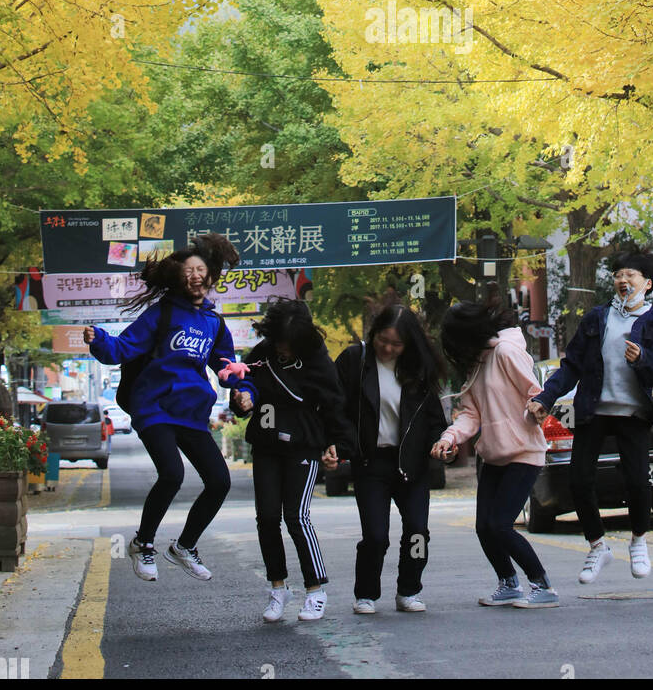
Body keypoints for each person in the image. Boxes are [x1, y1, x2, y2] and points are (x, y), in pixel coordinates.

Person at [84, 233, 240, 583]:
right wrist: (99, 340)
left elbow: (225, 365)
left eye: (201, 270)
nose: (196, 277)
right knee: (172, 473)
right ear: (177, 279)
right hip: (154, 407)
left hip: (191, 412)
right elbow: (121, 349)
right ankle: (143, 543)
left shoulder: (214, 323)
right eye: (188, 272)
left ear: (212, 274)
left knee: (219, 481)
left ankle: (184, 547)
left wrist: (239, 385)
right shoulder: (162, 314)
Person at [528, 249, 653, 584]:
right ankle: (598, 545)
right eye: (618, 275)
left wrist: (642, 359)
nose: (623, 280)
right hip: (594, 409)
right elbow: (572, 365)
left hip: (632, 412)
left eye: (631, 275)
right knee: (579, 480)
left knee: (637, 481)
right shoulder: (597, 318)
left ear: (647, 284)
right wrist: (545, 398)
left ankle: (638, 541)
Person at [229, 298, 355, 624]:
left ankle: (316, 589)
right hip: (267, 445)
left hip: (303, 446)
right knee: (267, 518)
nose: (282, 350)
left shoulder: (319, 362)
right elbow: (245, 382)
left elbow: (335, 407)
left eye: (289, 345)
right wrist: (243, 397)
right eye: (278, 343)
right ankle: (278, 587)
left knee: (297, 516)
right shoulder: (262, 353)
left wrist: (338, 446)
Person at [432, 299, 555, 609]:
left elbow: (534, 392)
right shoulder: (477, 363)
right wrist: (450, 437)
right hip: (494, 455)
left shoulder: (506, 351)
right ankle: (508, 583)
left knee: (500, 525)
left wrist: (538, 410)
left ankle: (542, 586)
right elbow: (471, 413)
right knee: (484, 527)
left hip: (524, 452)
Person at [335, 300, 448, 614]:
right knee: (375, 535)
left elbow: (433, 418)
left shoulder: (418, 369)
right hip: (371, 462)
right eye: (382, 341)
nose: (387, 348)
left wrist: (442, 442)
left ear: (408, 343)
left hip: (411, 463)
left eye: (396, 344)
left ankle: (409, 590)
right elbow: (336, 409)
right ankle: (366, 594)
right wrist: (340, 446)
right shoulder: (354, 360)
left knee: (418, 531)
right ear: (373, 335)